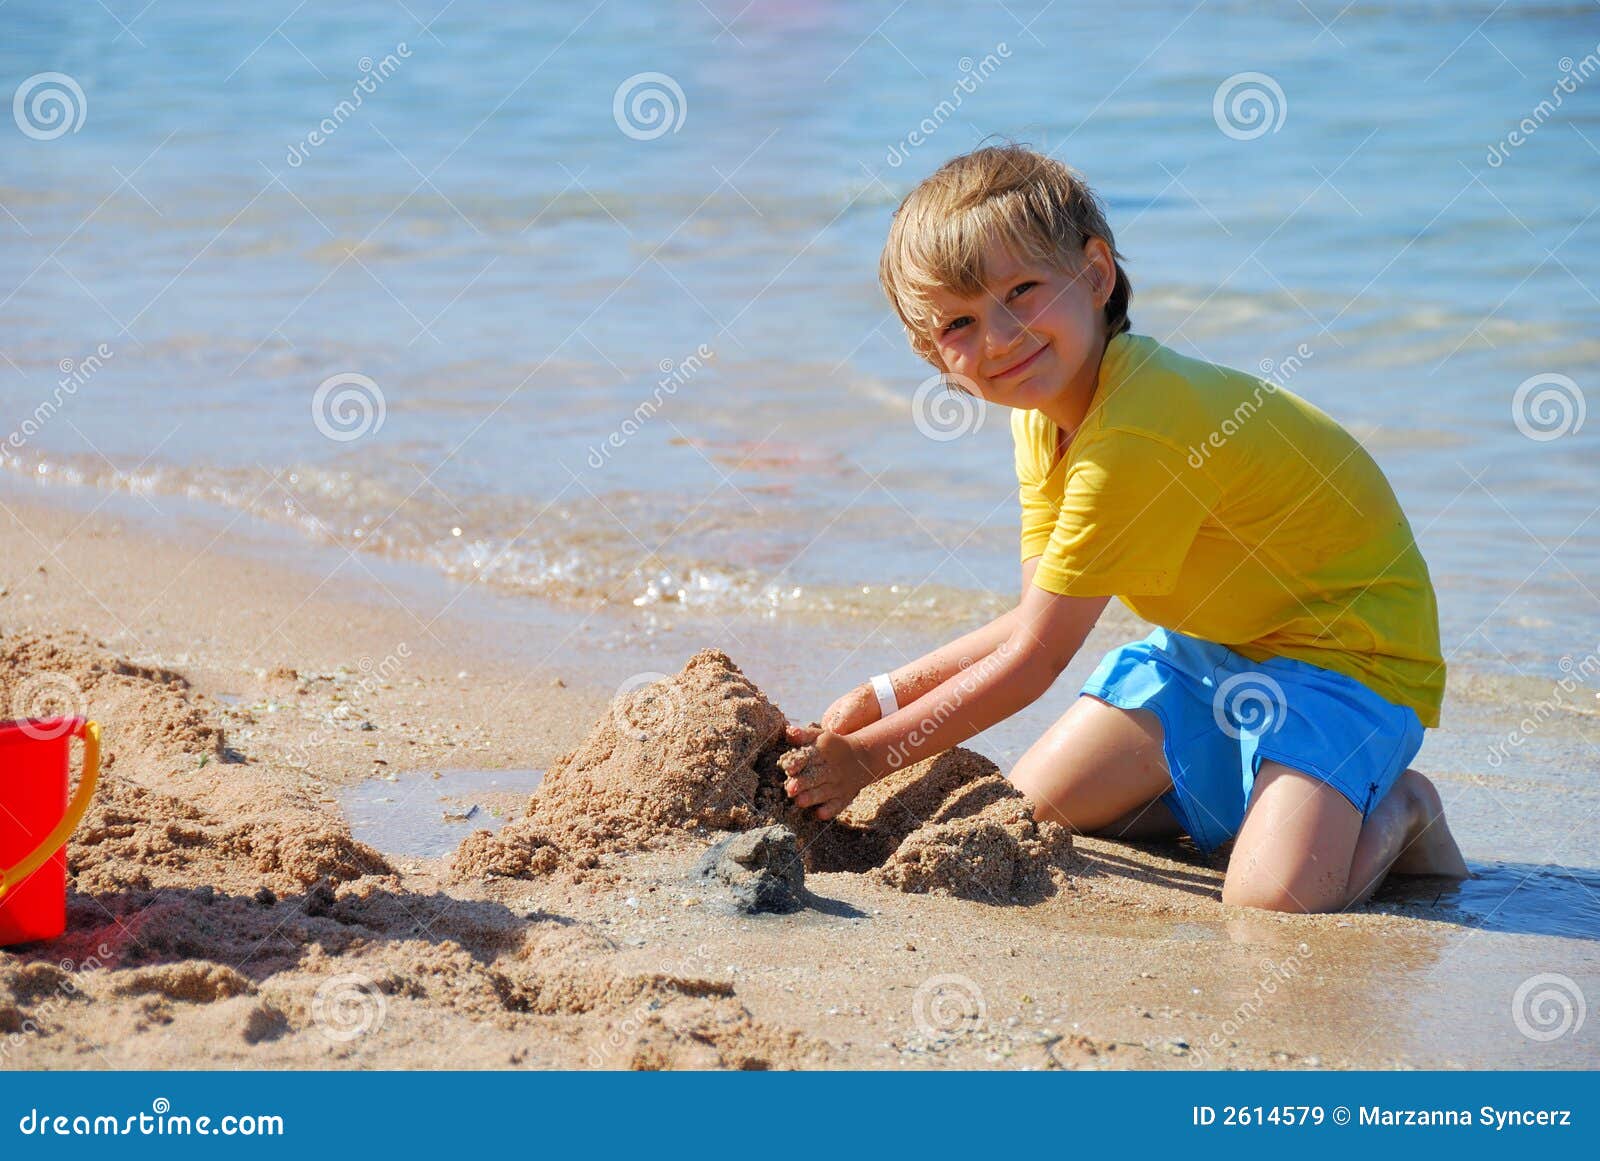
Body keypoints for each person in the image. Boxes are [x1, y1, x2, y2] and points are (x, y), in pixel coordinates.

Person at [779, 144, 1468, 913]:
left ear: (1096, 274)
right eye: (961, 322)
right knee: (1031, 811)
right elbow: (1029, 617)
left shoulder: (1138, 423)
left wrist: (867, 761)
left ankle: (1401, 810)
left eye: (1024, 289)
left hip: (1350, 663)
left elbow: (1038, 657)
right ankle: (1251, 796)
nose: (1001, 336)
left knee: (1270, 902)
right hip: (1211, 653)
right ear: (931, 353)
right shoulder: (1046, 419)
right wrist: (880, 696)